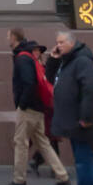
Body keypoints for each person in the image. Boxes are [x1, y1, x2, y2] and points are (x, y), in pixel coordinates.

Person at [0, 28, 70, 185]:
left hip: (29, 108)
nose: (6, 38)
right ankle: (63, 177)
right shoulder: (28, 57)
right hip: (38, 106)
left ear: (14, 37)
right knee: (43, 143)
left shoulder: (22, 58)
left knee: (20, 142)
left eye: (8, 35)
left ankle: (19, 181)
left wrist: (22, 104)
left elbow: (29, 83)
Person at [48, 29, 93, 185]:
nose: (58, 46)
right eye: (57, 42)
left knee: (83, 160)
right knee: (83, 159)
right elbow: (50, 79)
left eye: (62, 42)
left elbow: (90, 89)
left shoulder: (82, 62)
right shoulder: (67, 61)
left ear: (72, 43)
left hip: (80, 120)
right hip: (73, 118)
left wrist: (86, 118)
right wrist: (53, 60)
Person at [29, 45, 61, 175]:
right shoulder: (30, 65)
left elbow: (50, 75)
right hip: (42, 104)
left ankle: (38, 159)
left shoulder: (42, 64)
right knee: (48, 136)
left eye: (39, 51)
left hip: (48, 103)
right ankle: (55, 168)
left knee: (49, 136)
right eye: (35, 51)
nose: (37, 53)